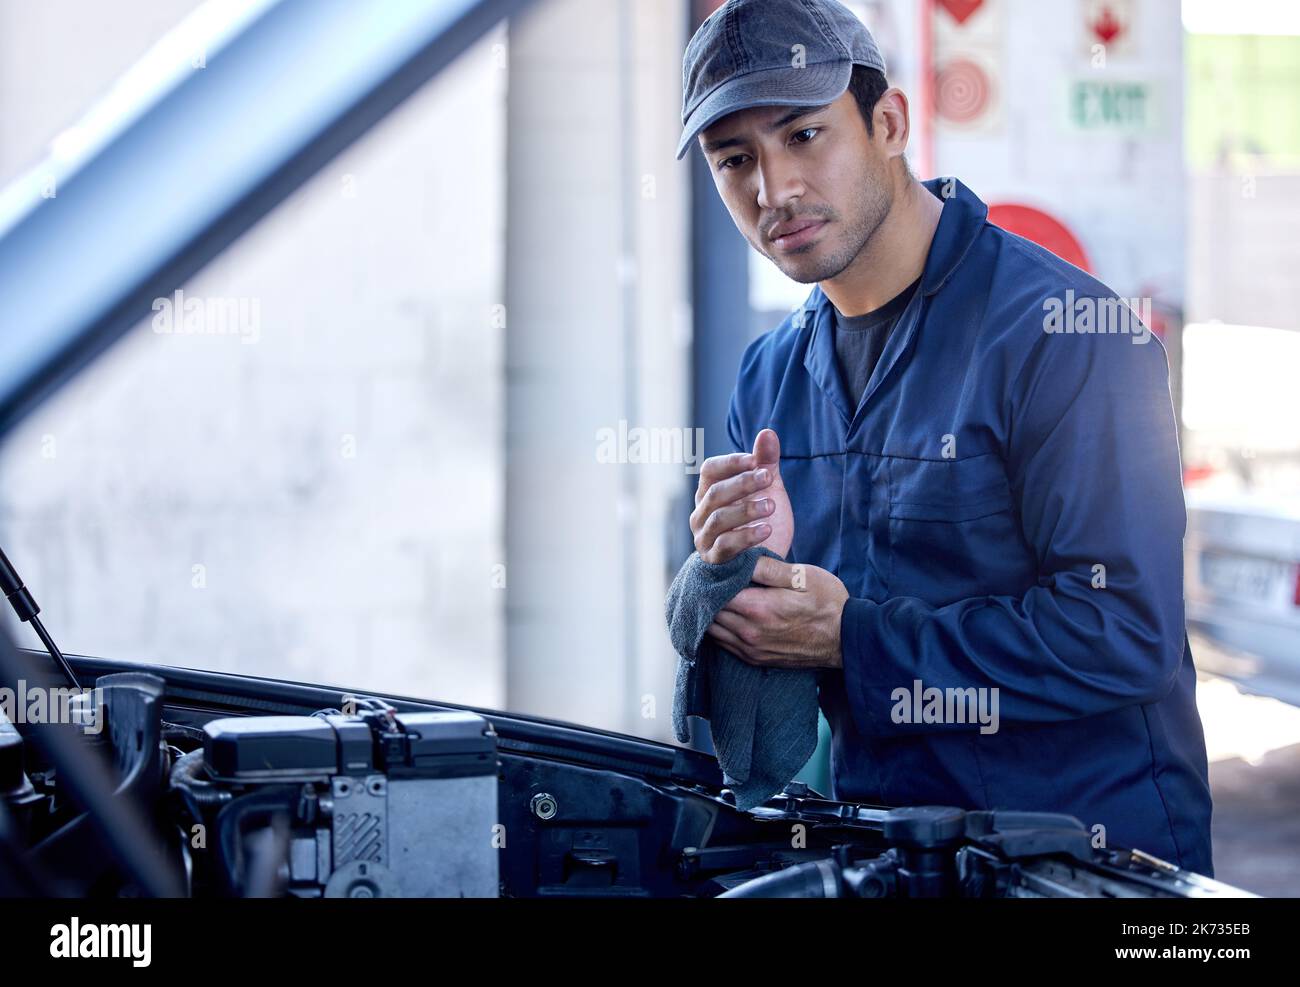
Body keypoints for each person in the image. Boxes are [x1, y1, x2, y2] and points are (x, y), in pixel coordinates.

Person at [676, 0, 1213, 875]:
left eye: (804, 136)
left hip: (1084, 867)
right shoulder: (768, 378)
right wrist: (731, 589)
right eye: (735, 160)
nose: (774, 191)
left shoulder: (1070, 338)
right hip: (886, 858)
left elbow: (1125, 630)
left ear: (888, 122)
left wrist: (853, 639)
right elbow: (767, 725)